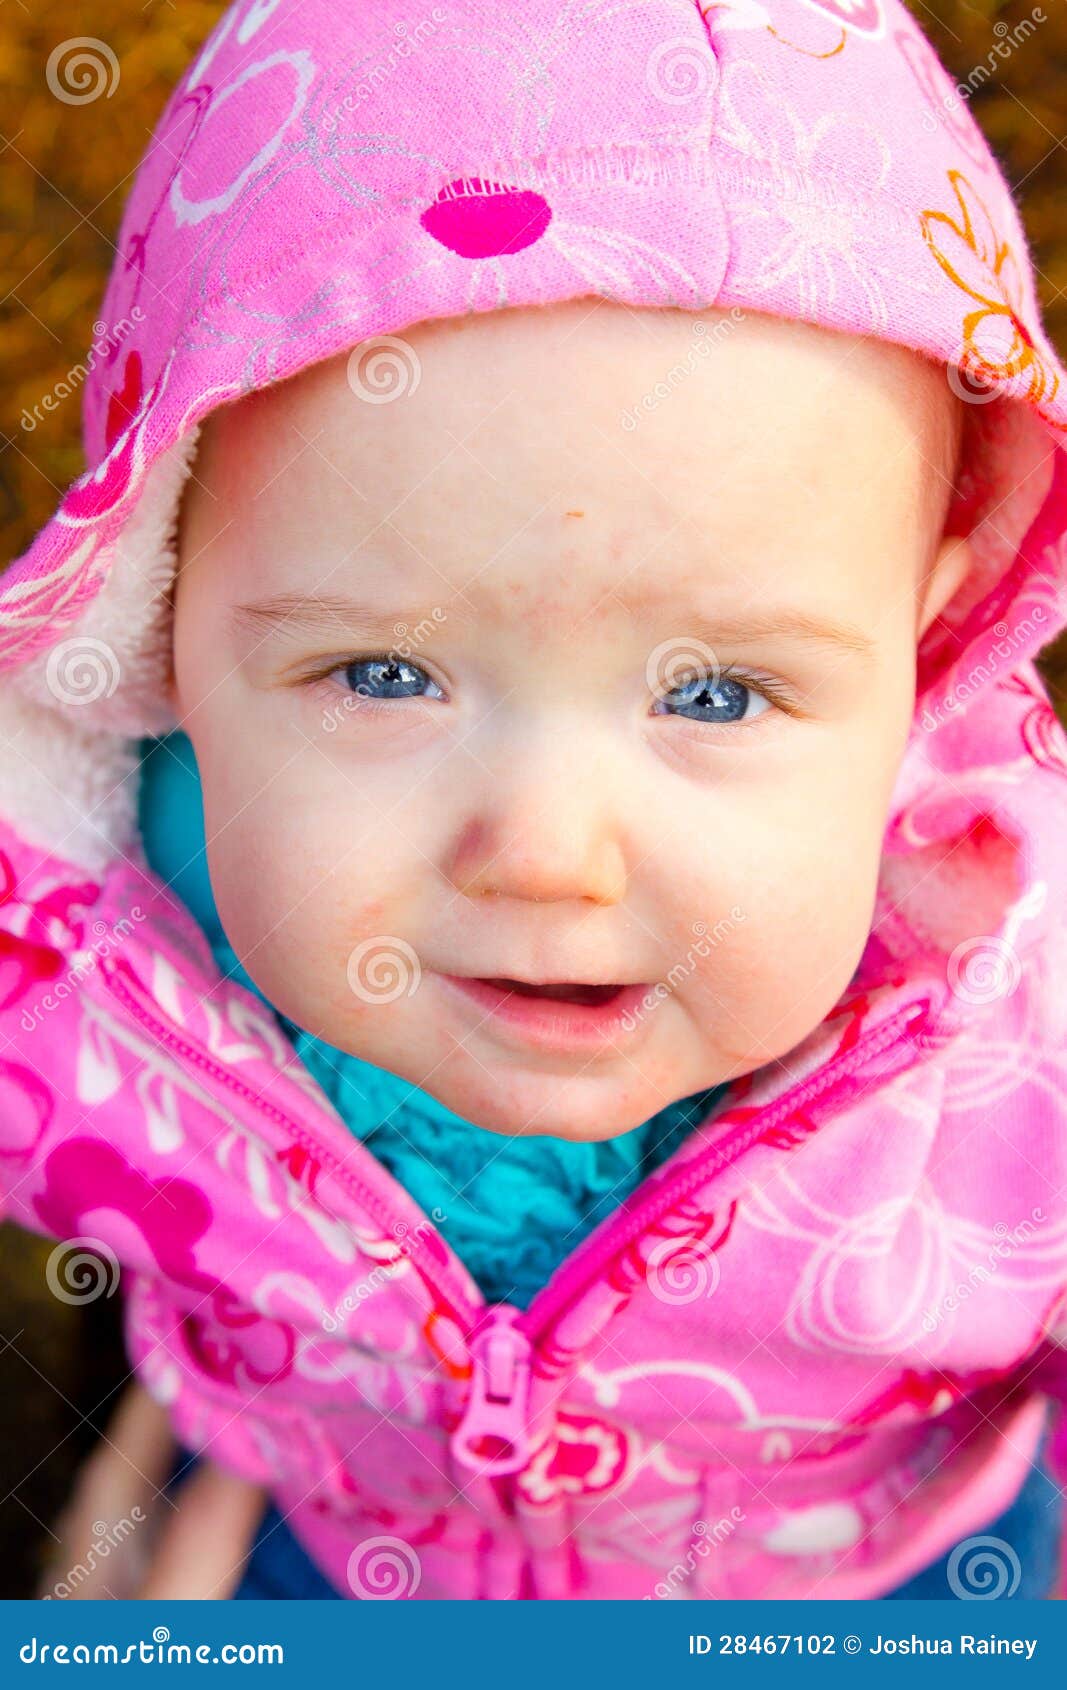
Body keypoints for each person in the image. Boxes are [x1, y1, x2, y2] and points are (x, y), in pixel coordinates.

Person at [5, 0, 1067, 1602]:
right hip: (328, 1548)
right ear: (160, 619)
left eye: (714, 694)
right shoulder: (92, 958)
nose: (550, 854)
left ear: (923, 631)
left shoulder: (1018, 1036)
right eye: (381, 675)